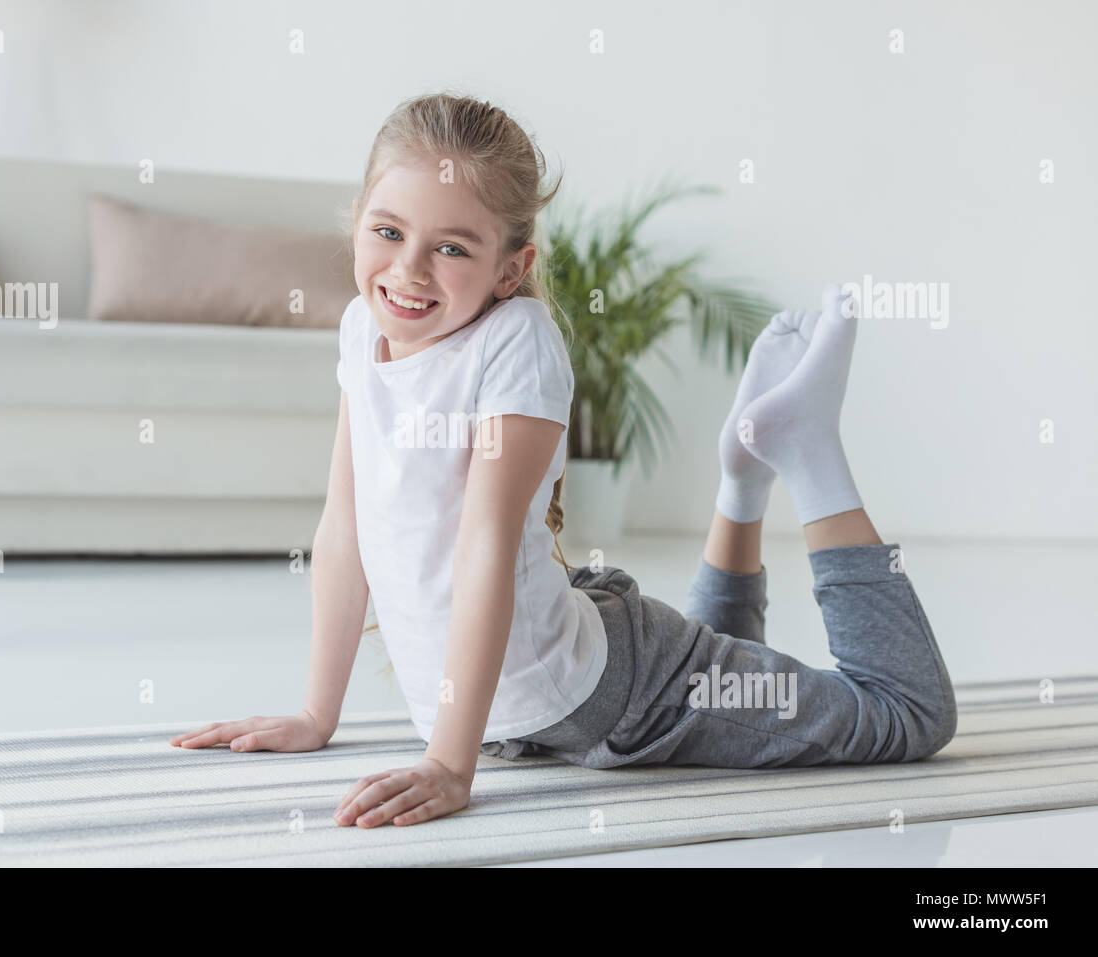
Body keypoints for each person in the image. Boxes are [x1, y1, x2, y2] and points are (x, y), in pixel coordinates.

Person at [169, 93, 958, 830]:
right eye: (387, 231)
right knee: (725, 679)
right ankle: (745, 474)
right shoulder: (357, 329)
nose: (408, 269)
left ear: (510, 269)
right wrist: (317, 713)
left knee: (903, 714)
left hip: (614, 690)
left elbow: (484, 541)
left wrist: (449, 762)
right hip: (536, 690)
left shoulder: (516, 343)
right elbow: (345, 522)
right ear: (355, 224)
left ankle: (806, 448)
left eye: (450, 247)